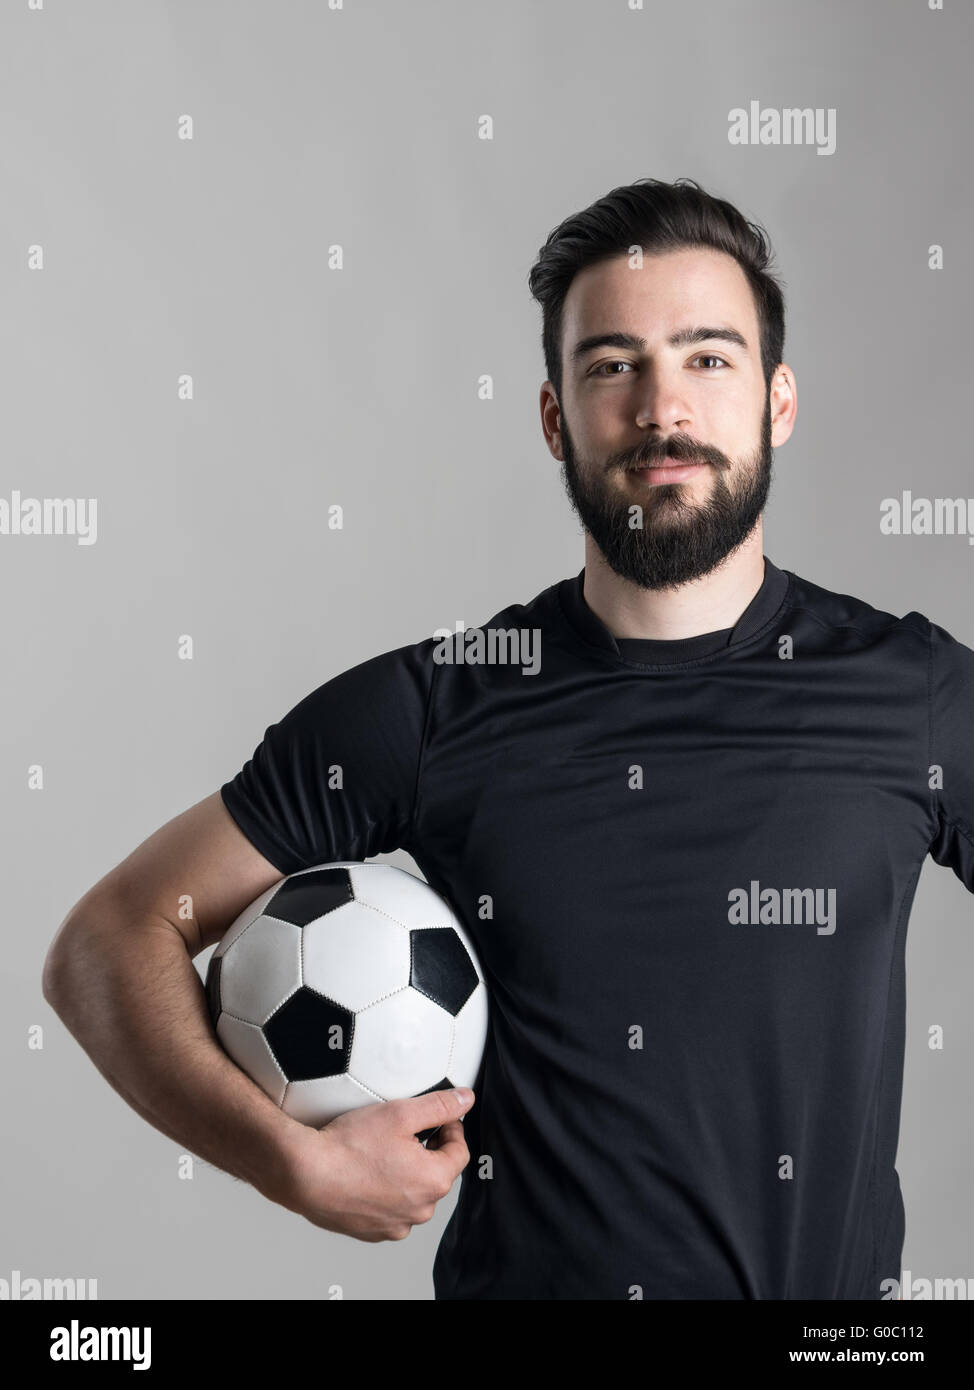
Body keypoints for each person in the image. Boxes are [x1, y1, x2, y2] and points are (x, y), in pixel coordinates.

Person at [43, 177, 974, 1300]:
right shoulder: (441, 704)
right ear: (554, 416)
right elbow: (105, 943)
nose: (660, 407)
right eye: (611, 364)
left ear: (776, 401)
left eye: (707, 358)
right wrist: (291, 1161)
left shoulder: (910, 690)